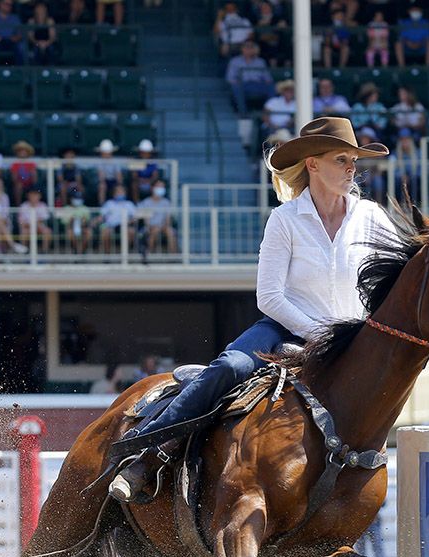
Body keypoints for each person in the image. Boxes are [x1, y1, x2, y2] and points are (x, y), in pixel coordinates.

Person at [107, 116, 393, 503]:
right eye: (341, 159)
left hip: (349, 340)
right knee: (230, 368)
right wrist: (318, 336)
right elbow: (270, 297)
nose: (351, 168)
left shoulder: (372, 218)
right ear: (312, 164)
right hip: (286, 330)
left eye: (353, 161)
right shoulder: (285, 220)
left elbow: (390, 284)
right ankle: (145, 453)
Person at [225, 40, 276, 117]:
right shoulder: (235, 61)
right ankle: (243, 112)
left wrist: (268, 81)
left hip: (257, 84)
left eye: (251, 47)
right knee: (236, 87)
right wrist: (236, 82)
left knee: (271, 87)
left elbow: (268, 78)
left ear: (254, 50)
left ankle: (268, 113)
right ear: (242, 49)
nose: (248, 49)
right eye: (246, 47)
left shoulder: (260, 61)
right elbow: (229, 78)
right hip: (243, 85)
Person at [138, 179, 177, 257]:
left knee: (170, 232)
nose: (161, 188)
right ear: (152, 188)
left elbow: (168, 219)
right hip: (149, 227)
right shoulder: (146, 202)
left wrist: (164, 227)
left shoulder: (167, 202)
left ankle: (174, 256)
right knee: (154, 231)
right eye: (158, 186)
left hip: (163, 227)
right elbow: (146, 221)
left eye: (162, 187)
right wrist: (151, 227)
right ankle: (149, 256)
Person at [96, 183, 136, 253]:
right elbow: (101, 216)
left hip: (125, 226)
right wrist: (96, 221)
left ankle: (124, 253)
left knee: (131, 231)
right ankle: (107, 255)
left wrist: (130, 221)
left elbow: (135, 217)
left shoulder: (129, 204)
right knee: (104, 231)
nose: (120, 193)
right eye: (118, 192)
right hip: (110, 226)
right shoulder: (109, 203)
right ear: (114, 194)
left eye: (122, 192)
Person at [0, 0, 25, 65]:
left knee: (22, 47)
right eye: (6, 4)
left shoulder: (15, 18)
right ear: (0, 4)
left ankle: (19, 70)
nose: (8, 6)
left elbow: (20, 34)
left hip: (12, 42)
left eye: (10, 5)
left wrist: (15, 38)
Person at [18, 185, 53, 252]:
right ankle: (25, 252)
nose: (34, 196)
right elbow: (22, 222)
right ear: (28, 195)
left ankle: (45, 252)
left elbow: (44, 220)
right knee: (24, 232)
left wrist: (34, 223)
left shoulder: (43, 205)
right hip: (28, 228)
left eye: (36, 194)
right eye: (32, 194)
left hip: (40, 228)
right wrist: (34, 223)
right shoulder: (23, 206)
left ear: (40, 196)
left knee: (47, 231)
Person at [58, 188, 92, 253]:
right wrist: (72, 221)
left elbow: (88, 221)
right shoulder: (66, 208)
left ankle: (82, 251)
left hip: (83, 227)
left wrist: (83, 222)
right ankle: (76, 250)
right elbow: (64, 222)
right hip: (70, 228)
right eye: (76, 198)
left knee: (89, 232)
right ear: (71, 198)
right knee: (70, 233)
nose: (78, 200)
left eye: (79, 198)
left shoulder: (85, 208)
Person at [130, 139, 161, 204]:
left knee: (157, 185)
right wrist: (140, 180)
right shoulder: (136, 161)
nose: (145, 154)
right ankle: (136, 203)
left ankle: (152, 203)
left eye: (147, 153)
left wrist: (148, 181)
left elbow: (155, 176)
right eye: (143, 152)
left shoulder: (153, 162)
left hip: (150, 182)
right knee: (134, 184)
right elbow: (134, 175)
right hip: (139, 182)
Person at [9, 140, 38, 206]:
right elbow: (14, 179)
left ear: (27, 152)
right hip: (18, 185)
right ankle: (18, 207)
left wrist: (31, 174)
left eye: (24, 151)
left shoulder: (31, 163)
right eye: (20, 151)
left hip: (30, 184)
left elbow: (35, 179)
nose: (22, 152)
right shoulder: (15, 164)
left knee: (35, 188)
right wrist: (21, 178)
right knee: (18, 186)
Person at [95, 138, 124, 205]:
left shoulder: (115, 161)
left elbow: (118, 174)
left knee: (119, 187)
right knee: (102, 186)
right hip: (104, 181)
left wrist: (119, 184)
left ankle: (120, 204)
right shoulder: (99, 162)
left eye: (108, 153)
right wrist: (103, 181)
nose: (106, 154)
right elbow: (101, 175)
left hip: (113, 180)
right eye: (105, 153)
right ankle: (102, 205)